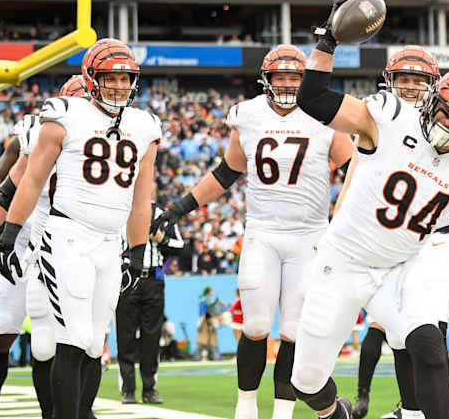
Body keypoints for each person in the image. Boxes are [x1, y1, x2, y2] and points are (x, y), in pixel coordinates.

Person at [287, 0, 449, 419]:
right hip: (345, 259)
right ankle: (335, 412)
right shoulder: (387, 114)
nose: (448, 125)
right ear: (432, 102)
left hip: (403, 264)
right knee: (306, 382)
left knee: (427, 344)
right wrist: (327, 41)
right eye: (446, 113)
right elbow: (311, 99)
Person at [151, 44, 353, 419]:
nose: (289, 83)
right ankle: (245, 406)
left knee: (293, 330)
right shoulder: (248, 115)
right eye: (282, 77)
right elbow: (227, 173)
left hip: (310, 235)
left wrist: (346, 219)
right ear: (267, 80)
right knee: (256, 324)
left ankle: (282, 412)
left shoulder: (325, 117)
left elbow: (356, 168)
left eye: (296, 77)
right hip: (262, 231)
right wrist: (179, 209)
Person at [1, 38, 161, 419]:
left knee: (93, 344)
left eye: (126, 79)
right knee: (71, 340)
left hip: (109, 242)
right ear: (91, 77)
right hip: (69, 235)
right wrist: (10, 233)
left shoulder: (143, 125)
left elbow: (141, 199)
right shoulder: (65, 113)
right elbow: (34, 179)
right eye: (111, 77)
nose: (120, 86)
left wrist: (137, 251)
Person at [340, 46, 449, 419]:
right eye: (404, 80)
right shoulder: (378, 118)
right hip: (383, 241)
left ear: (433, 85)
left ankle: (417, 412)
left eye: (419, 81)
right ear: (389, 82)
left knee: (428, 338)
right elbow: (354, 174)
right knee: (397, 334)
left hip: (434, 239)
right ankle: (410, 411)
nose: (410, 88)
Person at [0, 76, 87, 419]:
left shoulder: (106, 136)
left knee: (58, 342)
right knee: (1, 330)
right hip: (22, 240)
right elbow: (1, 180)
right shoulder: (36, 130)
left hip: (67, 247)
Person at [116, 199, 184, 405]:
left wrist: (161, 238)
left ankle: (149, 388)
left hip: (153, 279)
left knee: (151, 337)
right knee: (125, 335)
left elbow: (180, 245)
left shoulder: (161, 213)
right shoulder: (119, 209)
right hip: (126, 278)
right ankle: (128, 389)